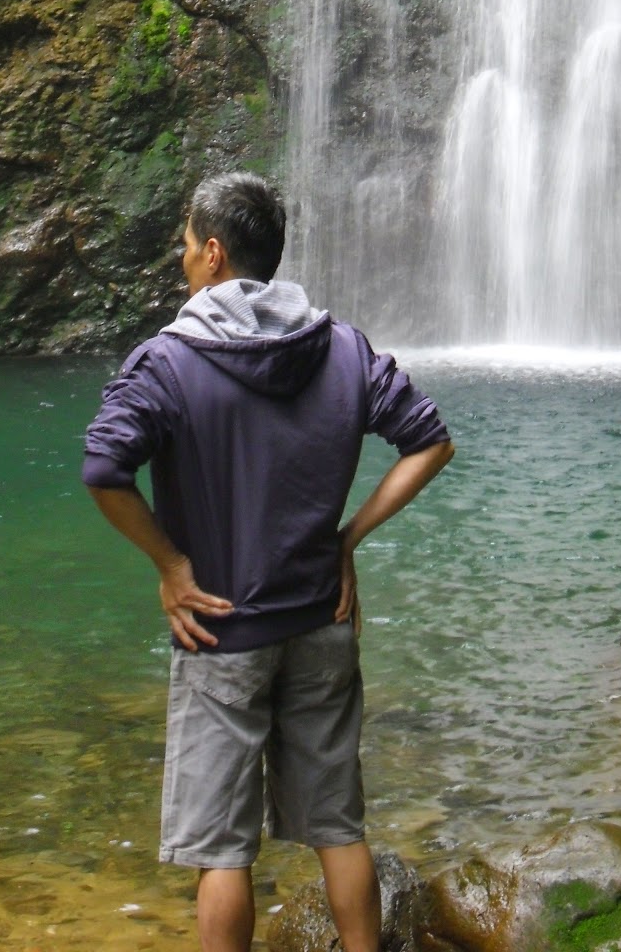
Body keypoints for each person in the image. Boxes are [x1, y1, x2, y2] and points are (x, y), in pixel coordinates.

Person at [82, 171, 454, 952]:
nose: (180, 259)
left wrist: (171, 566)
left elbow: (104, 470)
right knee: (338, 830)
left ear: (214, 254)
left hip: (221, 633)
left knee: (221, 851)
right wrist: (348, 538)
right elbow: (430, 440)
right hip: (322, 621)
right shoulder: (343, 347)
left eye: (185, 245)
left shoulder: (166, 362)